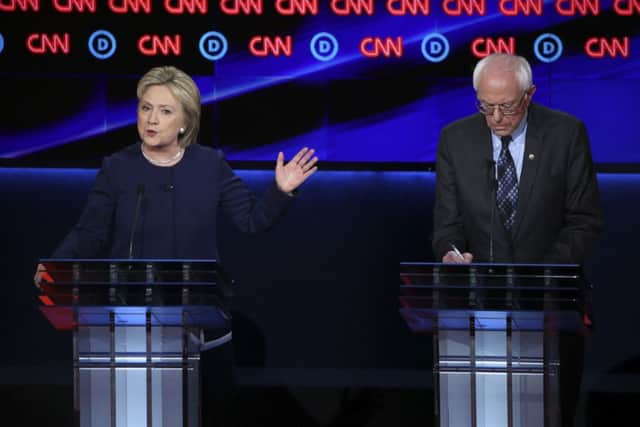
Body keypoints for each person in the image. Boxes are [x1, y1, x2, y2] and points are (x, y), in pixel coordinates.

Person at [33, 65, 318, 425]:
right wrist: (57, 265)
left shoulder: (210, 165)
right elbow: (89, 233)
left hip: (200, 325)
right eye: (145, 107)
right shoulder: (118, 168)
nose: (151, 119)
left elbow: (251, 221)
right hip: (131, 324)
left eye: (164, 111)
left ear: (185, 121)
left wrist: (281, 190)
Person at [431, 53, 602, 426]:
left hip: (550, 308)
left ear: (529, 95)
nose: (495, 119)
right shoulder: (455, 140)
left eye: (506, 107)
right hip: (478, 311)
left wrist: (534, 277)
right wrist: (451, 252)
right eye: (485, 106)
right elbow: (447, 225)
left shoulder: (566, 134)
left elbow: (583, 222)